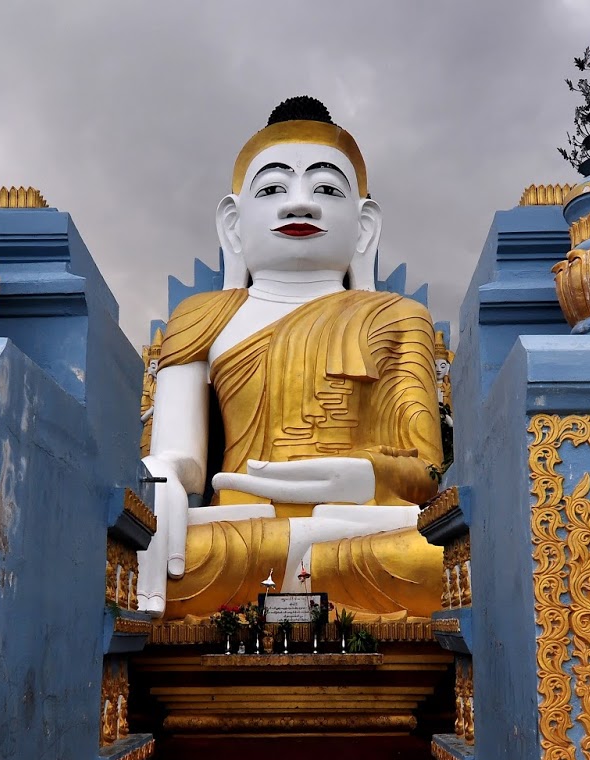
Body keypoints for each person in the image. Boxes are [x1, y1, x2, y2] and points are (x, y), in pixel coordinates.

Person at [138, 97, 443, 619]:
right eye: (274, 188)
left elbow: (426, 472)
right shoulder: (202, 316)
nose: (299, 205)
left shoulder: (398, 317)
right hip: (238, 534)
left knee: (429, 561)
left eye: (326, 189)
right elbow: (181, 460)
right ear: (233, 223)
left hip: (363, 527)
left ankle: (302, 557)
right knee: (171, 558)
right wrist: (161, 478)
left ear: (365, 224)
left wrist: (363, 477)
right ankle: (300, 557)